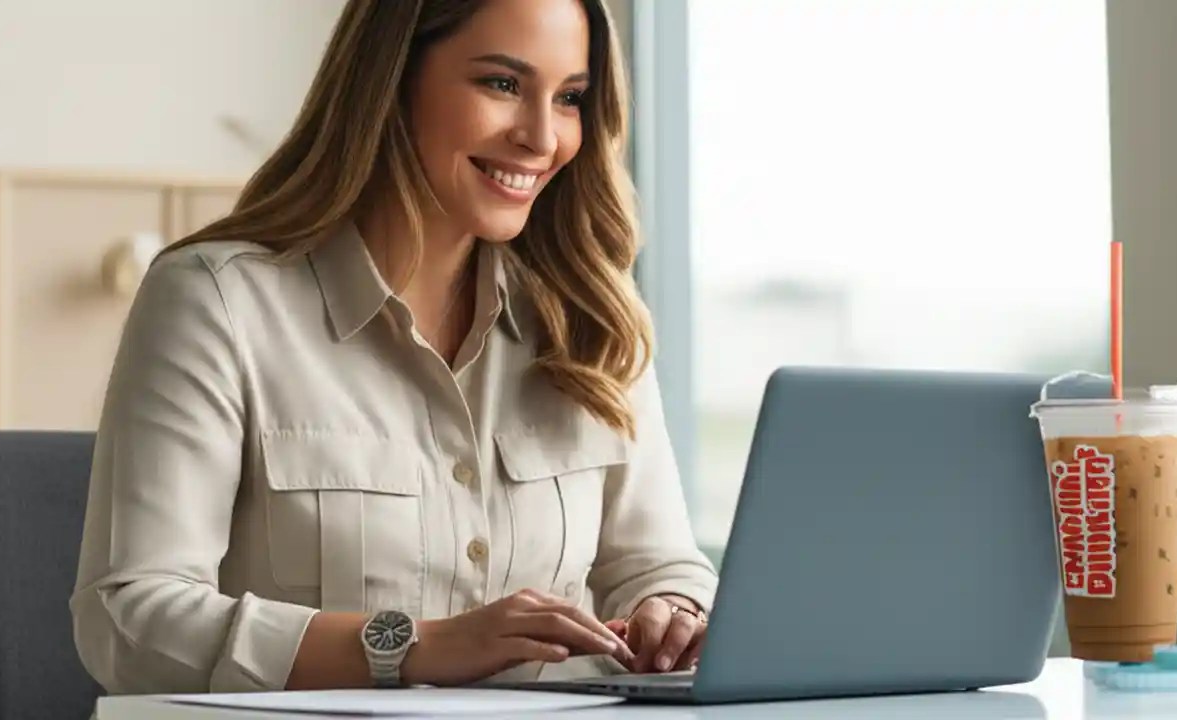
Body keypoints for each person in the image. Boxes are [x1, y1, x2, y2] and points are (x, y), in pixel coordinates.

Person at [70, 0, 717, 695]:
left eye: (569, 98)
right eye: (502, 84)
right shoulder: (217, 302)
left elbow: (660, 566)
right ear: (391, 79)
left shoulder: (593, 318)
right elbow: (130, 622)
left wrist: (674, 612)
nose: (540, 136)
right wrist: (409, 646)